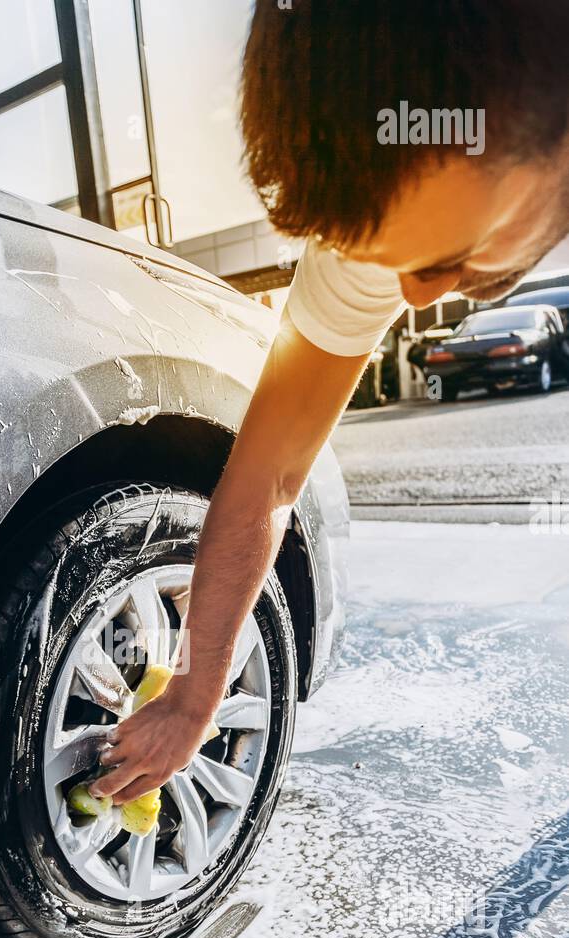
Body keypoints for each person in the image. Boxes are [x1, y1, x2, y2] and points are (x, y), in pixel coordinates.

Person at [91, 0, 569, 806]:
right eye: (395, 264)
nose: (416, 299)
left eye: (453, 255)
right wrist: (196, 692)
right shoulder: (365, 250)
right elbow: (268, 477)